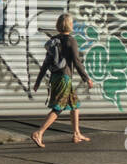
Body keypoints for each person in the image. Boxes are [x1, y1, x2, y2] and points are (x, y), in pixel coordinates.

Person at [31, 14, 94, 148]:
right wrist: (86, 78)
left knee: (75, 104)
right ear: (70, 25)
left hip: (55, 77)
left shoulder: (54, 41)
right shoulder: (71, 41)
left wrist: (38, 81)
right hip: (64, 79)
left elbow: (46, 63)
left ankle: (76, 133)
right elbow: (77, 62)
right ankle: (39, 132)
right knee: (58, 108)